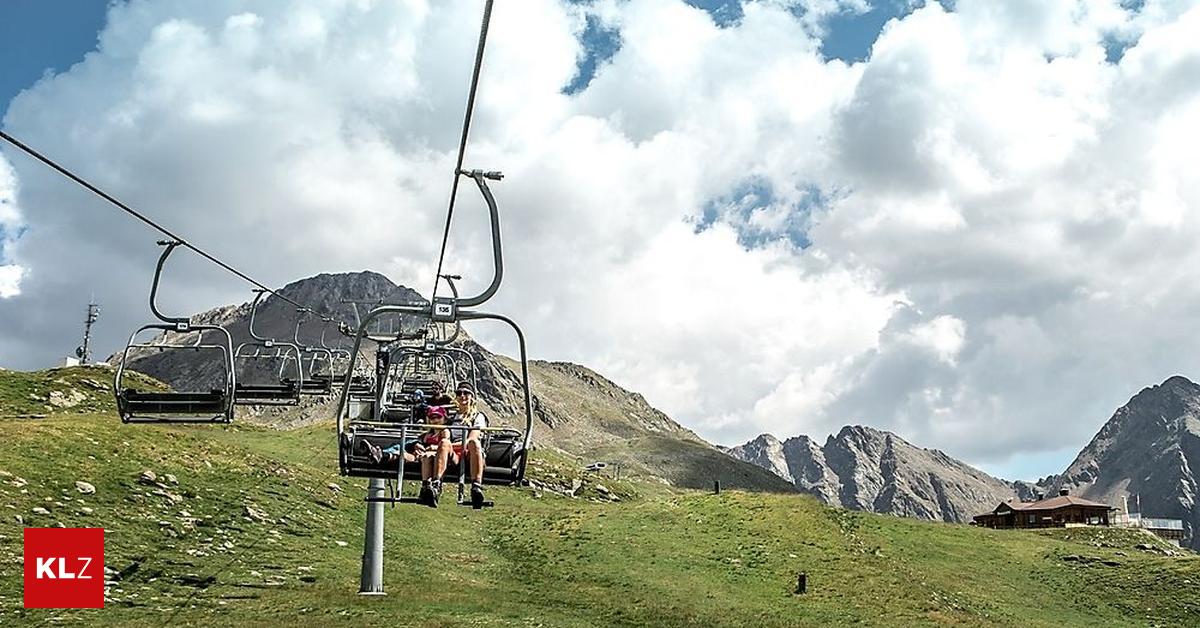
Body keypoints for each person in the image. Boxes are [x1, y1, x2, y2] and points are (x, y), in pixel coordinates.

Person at [452, 381, 489, 507]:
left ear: (471, 397)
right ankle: (434, 485)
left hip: (470, 452)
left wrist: (447, 446)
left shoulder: (478, 417)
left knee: (474, 443)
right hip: (454, 454)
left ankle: (476, 485)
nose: (462, 396)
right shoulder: (451, 417)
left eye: (466, 393)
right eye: (459, 393)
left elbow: (471, 439)